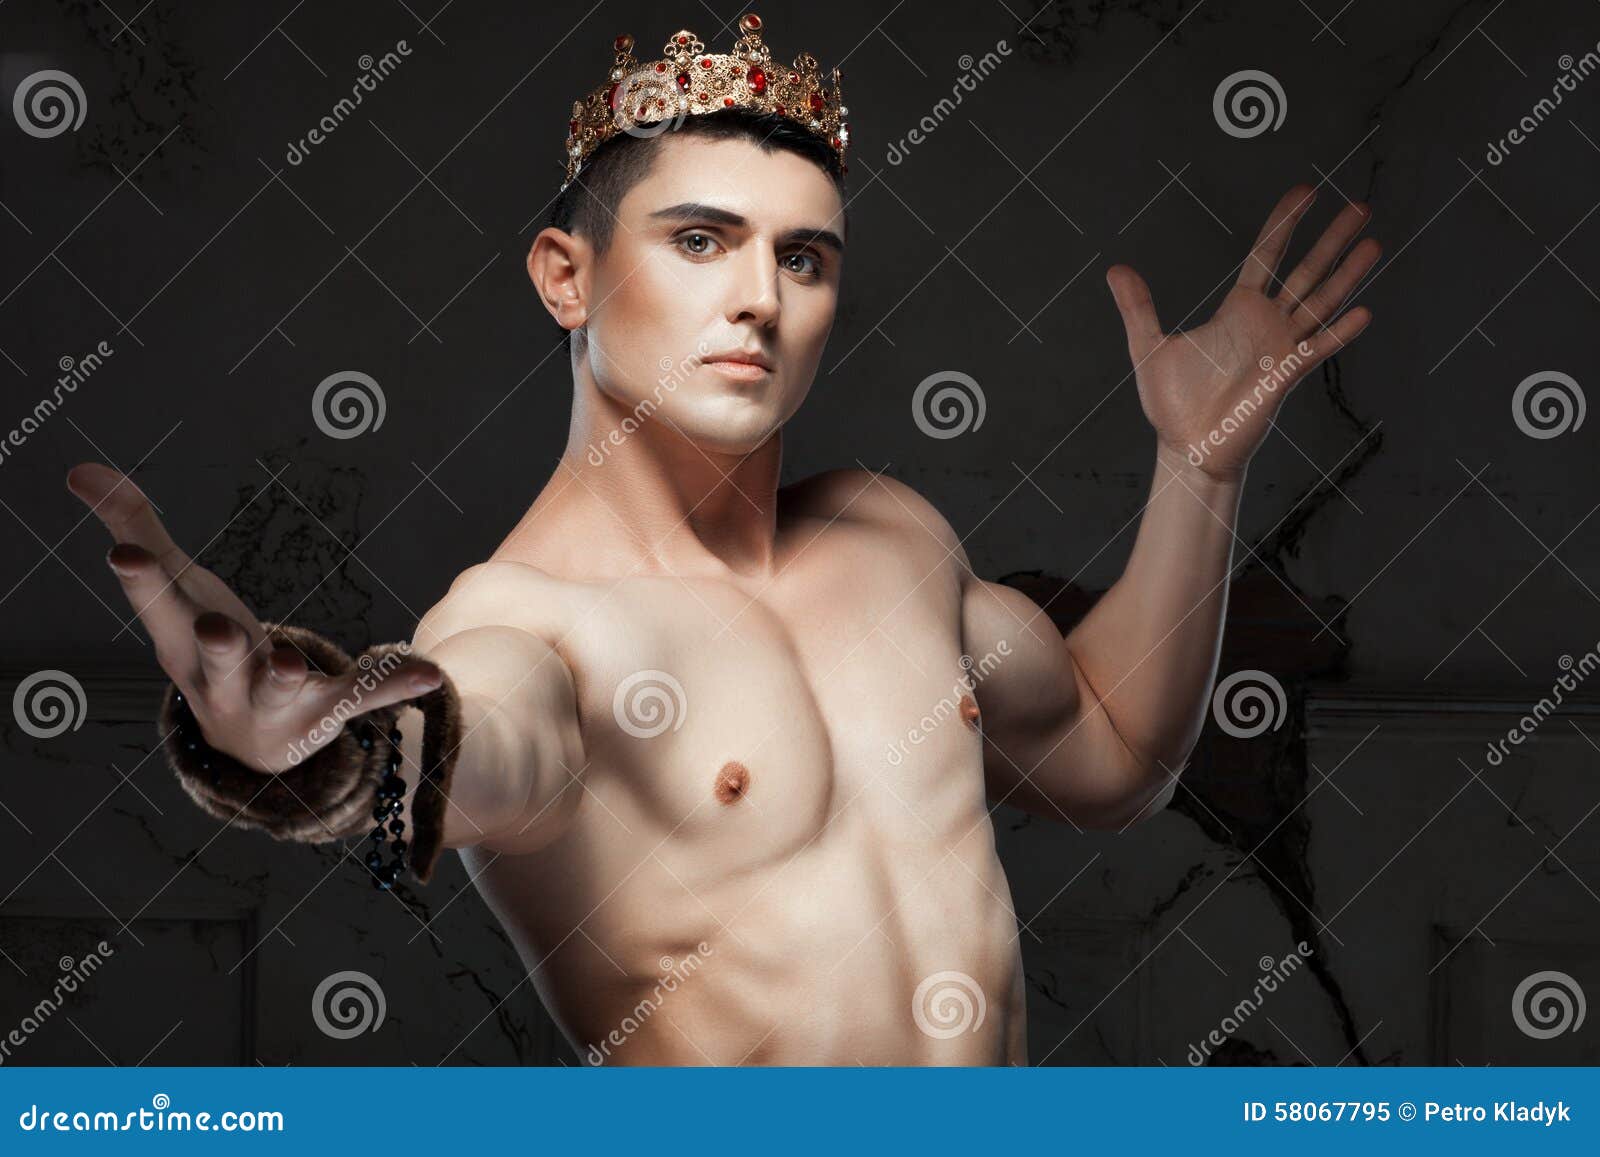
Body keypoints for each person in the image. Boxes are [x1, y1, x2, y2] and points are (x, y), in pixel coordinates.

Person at [63, 14, 1379, 1065]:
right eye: (701, 240)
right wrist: (299, 755)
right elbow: (451, 741)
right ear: (566, 274)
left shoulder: (891, 535)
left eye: (804, 259)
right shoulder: (530, 627)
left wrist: (1198, 468)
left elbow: (1106, 753)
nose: (759, 296)